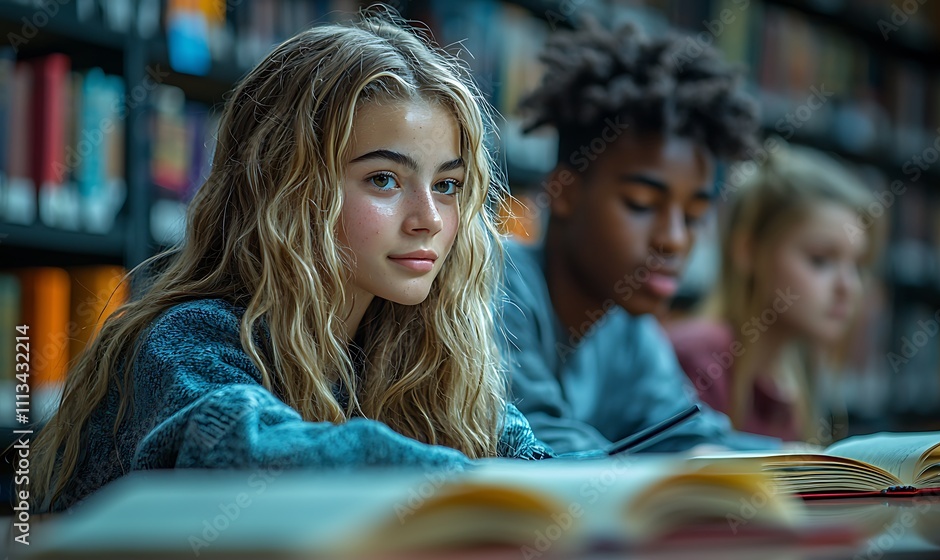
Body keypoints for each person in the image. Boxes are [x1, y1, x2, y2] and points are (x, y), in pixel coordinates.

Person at [29, 13, 551, 513]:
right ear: (287, 186)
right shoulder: (186, 341)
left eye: (447, 185)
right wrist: (480, 484)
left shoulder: (405, 349)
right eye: (384, 179)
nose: (430, 220)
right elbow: (254, 453)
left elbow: (533, 464)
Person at [501, 17, 780, 455]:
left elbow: (691, 437)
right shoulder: (498, 283)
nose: (673, 240)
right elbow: (536, 447)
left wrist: (825, 464)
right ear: (564, 192)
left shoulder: (631, 331)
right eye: (641, 204)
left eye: (693, 216)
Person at [667, 142, 874, 443]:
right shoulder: (698, 357)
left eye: (858, 265)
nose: (849, 287)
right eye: (820, 260)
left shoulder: (792, 374)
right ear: (747, 250)